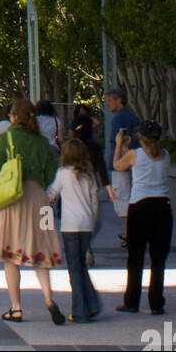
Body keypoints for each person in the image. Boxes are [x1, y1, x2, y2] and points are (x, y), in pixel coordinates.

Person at [0, 99, 65, 325]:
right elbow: (49, 177)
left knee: (10, 254)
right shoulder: (43, 143)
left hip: (12, 200)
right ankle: (48, 298)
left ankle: (16, 308)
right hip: (40, 201)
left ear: (14, 117)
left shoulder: (7, 139)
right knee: (41, 251)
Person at [113, 118, 173, 315]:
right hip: (162, 207)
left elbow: (117, 165)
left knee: (135, 257)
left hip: (139, 207)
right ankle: (156, 303)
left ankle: (132, 301)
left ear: (140, 136)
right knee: (158, 259)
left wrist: (119, 144)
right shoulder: (165, 155)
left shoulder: (134, 154)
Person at [47, 138, 102, 322]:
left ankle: (79, 311)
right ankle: (92, 304)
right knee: (81, 266)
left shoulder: (63, 173)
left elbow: (51, 194)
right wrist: (93, 222)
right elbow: (95, 200)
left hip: (70, 226)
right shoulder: (89, 174)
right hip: (87, 224)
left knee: (74, 268)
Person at [71, 104, 113, 265]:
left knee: (80, 219)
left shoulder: (72, 146)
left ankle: (84, 247)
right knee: (95, 220)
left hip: (73, 187)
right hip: (91, 186)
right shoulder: (93, 146)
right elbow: (101, 168)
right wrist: (109, 189)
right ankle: (86, 247)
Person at [107, 87, 140, 246]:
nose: (107, 104)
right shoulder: (132, 116)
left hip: (121, 163)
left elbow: (119, 140)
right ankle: (131, 232)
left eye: (110, 100)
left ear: (119, 100)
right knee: (128, 197)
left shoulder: (119, 118)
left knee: (122, 198)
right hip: (133, 163)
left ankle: (130, 233)